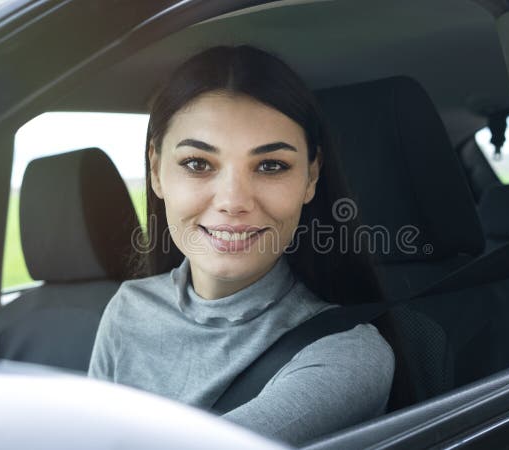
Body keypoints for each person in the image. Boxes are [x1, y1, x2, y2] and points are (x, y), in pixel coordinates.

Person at [87, 45, 395, 445]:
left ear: (311, 177)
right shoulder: (129, 309)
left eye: (271, 166)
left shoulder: (349, 354)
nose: (233, 200)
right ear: (156, 171)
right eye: (198, 164)